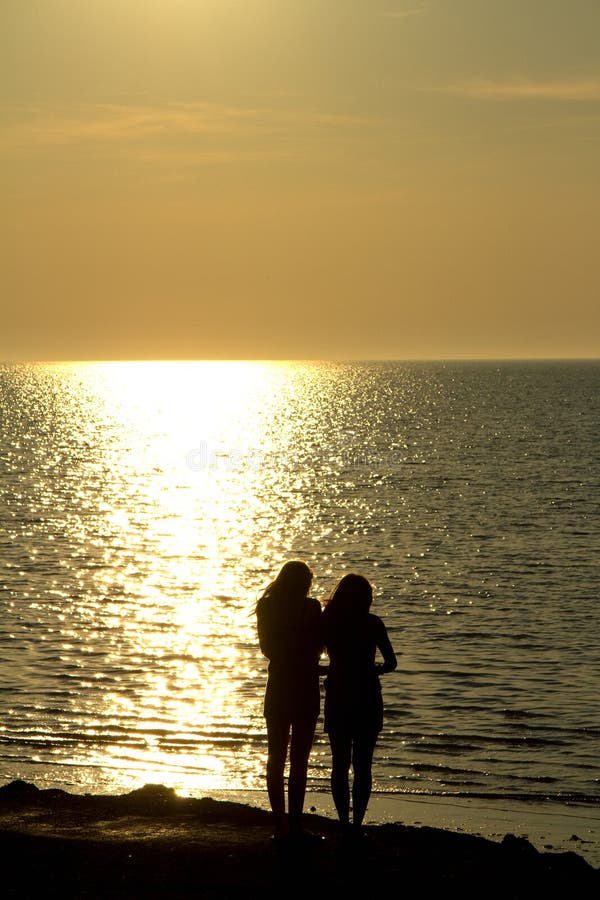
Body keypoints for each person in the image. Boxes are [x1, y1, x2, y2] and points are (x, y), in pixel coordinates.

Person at [322, 573, 397, 839]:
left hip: (338, 694)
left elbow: (313, 654)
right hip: (367, 695)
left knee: (339, 763)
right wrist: (374, 669)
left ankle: (343, 822)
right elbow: (391, 663)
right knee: (363, 765)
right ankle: (357, 824)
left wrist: (329, 670)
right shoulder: (373, 623)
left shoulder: (330, 622)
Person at [256, 560, 323, 841]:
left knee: (278, 757)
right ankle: (291, 825)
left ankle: (282, 826)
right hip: (303, 684)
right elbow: (318, 646)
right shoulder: (310, 607)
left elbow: (268, 649)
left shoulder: (268, 606)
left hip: (282, 684)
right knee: (296, 759)